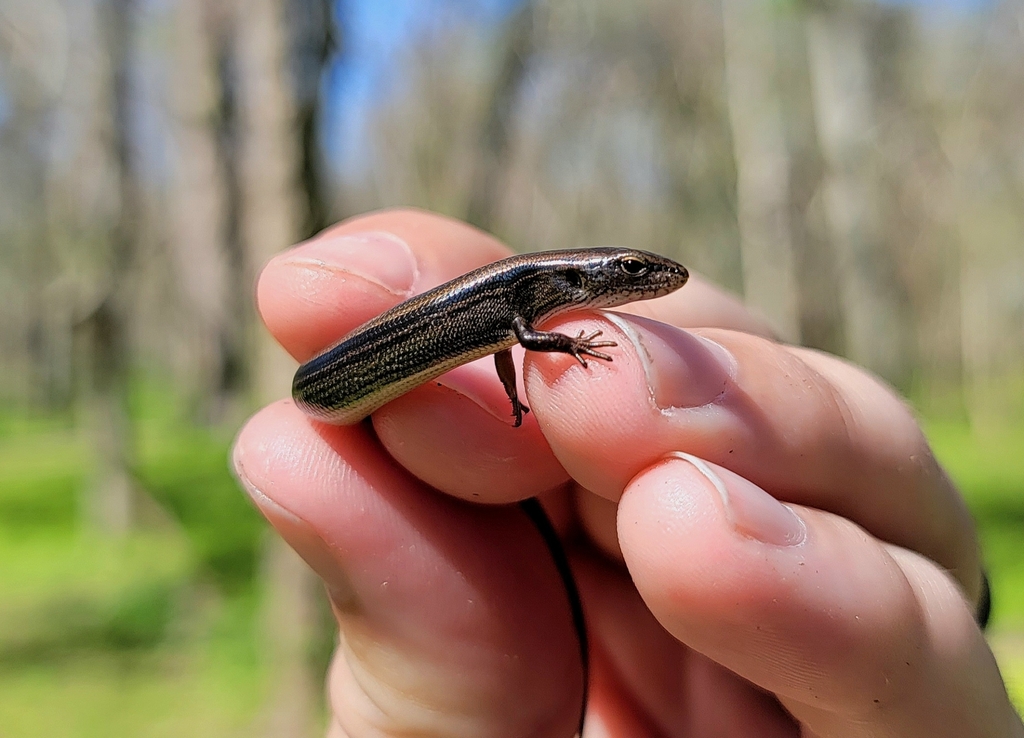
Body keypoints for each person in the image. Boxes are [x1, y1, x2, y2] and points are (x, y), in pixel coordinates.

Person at [232, 208, 1022, 737]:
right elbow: (519, 339)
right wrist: (572, 351)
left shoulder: (522, 304)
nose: (652, 283)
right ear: (580, 281)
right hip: (333, 387)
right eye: (636, 274)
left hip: (356, 396)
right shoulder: (524, 300)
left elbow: (508, 346)